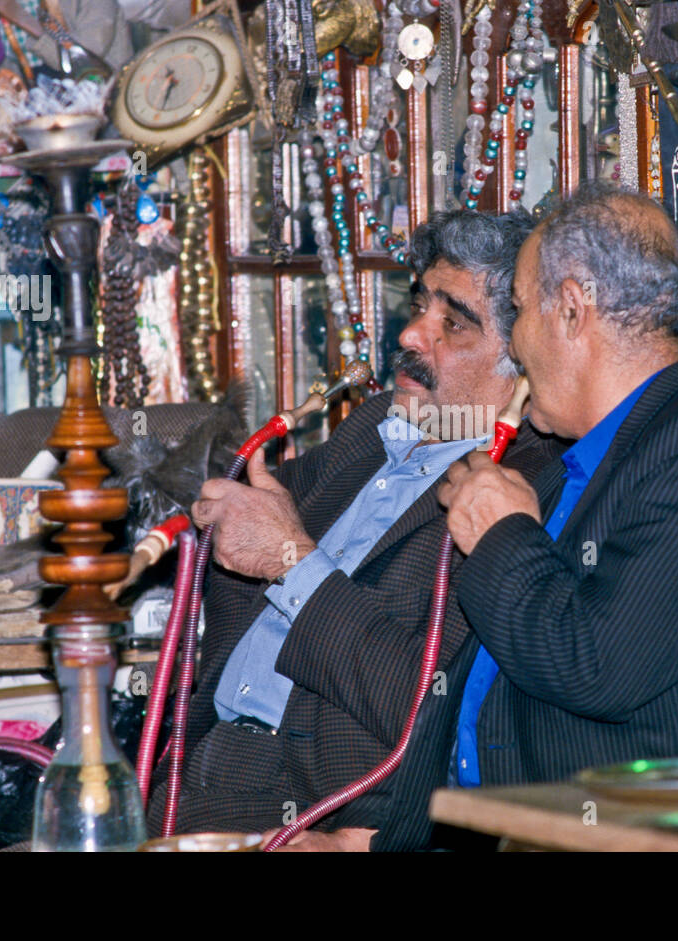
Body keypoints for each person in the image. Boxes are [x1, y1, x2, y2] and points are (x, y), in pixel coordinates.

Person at [374, 181, 678, 850]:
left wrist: (501, 534)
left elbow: (591, 663)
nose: (515, 345)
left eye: (518, 310)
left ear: (572, 311)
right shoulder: (584, 459)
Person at [145, 208, 564, 851]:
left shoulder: (524, 490)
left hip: (326, 809)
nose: (413, 335)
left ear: (523, 362)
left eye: (453, 323)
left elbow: (439, 712)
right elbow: (238, 550)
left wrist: (292, 559)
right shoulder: (373, 429)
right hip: (202, 770)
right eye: (421, 305)